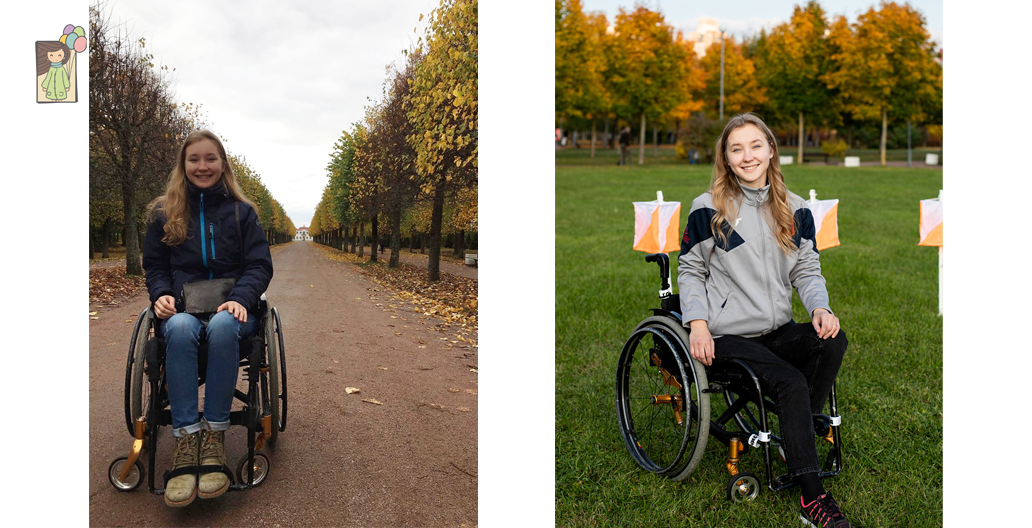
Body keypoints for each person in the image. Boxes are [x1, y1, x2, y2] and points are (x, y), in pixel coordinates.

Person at [677, 113, 852, 528]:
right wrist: (697, 323)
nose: (747, 155)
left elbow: (806, 270)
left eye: (755, 145)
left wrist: (820, 309)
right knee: (790, 381)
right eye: (736, 148)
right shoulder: (711, 210)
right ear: (726, 157)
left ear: (771, 149)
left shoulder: (796, 210)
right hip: (726, 337)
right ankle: (813, 499)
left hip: (774, 330)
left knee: (832, 340)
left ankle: (797, 440)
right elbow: (691, 271)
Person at [143, 130, 273, 507]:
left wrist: (240, 299)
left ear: (222, 164)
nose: (202, 166)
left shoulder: (242, 212)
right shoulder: (164, 214)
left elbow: (259, 265)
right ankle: (186, 439)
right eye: (194, 159)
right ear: (183, 165)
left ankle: (214, 437)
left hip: (233, 311)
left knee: (222, 325)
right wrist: (161, 295)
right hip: (182, 310)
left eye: (210, 158)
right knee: (180, 326)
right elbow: (155, 266)